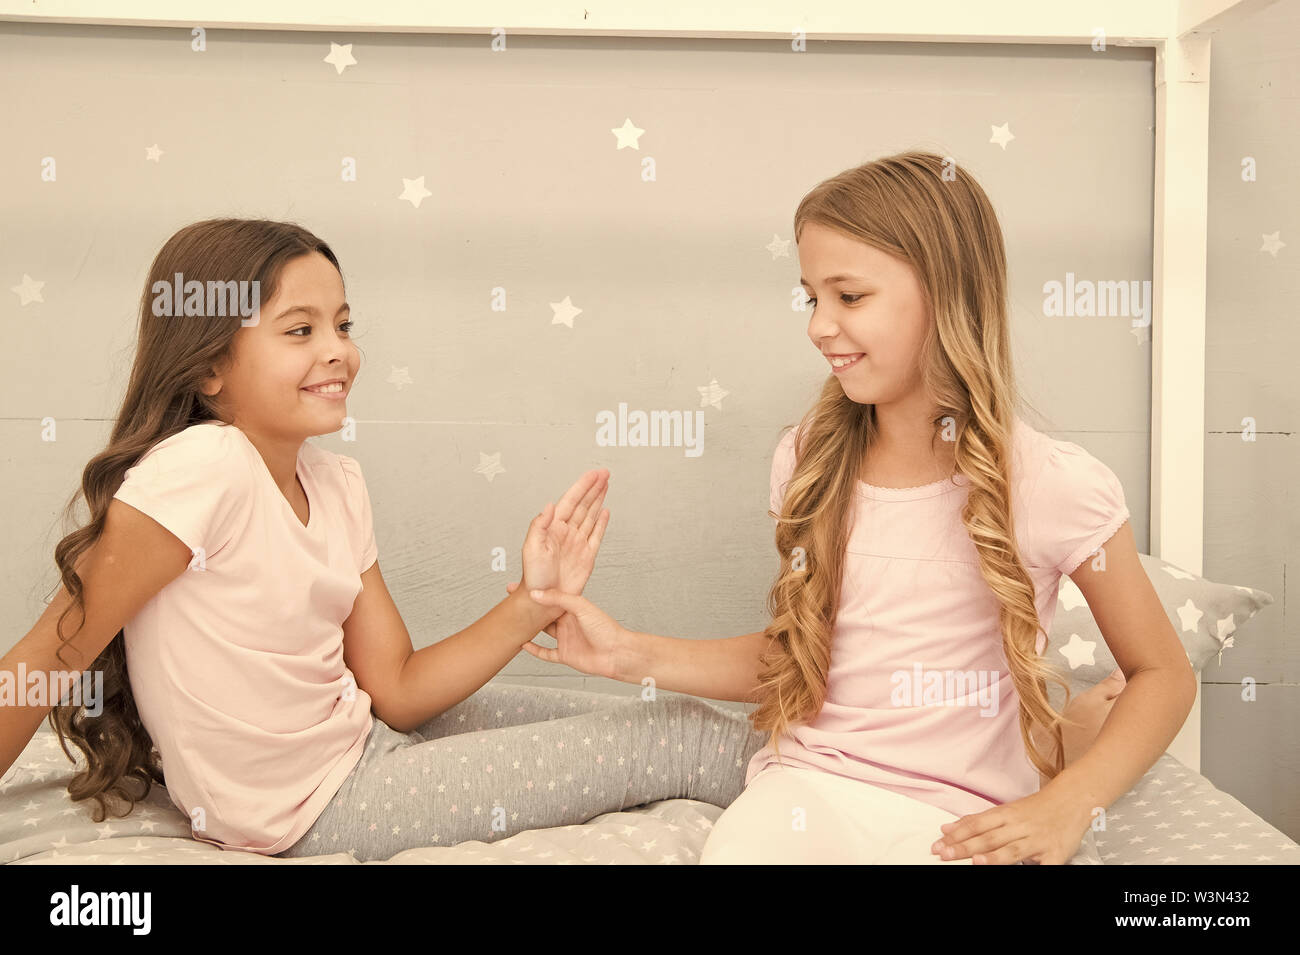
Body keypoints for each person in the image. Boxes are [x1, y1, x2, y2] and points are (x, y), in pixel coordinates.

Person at [0, 218, 757, 862]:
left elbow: (394, 687)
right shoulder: (202, 469)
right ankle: (855, 791)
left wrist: (534, 602)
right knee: (675, 737)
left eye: (343, 324)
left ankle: (840, 770)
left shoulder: (335, 483)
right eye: (301, 330)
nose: (339, 350)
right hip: (313, 808)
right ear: (208, 369)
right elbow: (49, 650)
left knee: (613, 720)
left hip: (362, 739)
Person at [523, 150, 1197, 864]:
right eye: (811, 297)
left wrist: (1067, 803)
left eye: (849, 297)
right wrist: (629, 652)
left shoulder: (1053, 485)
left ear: (946, 295)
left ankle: (1071, 734)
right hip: (809, 791)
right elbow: (804, 658)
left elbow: (1164, 673)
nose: (819, 325)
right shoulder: (809, 461)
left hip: (961, 814)